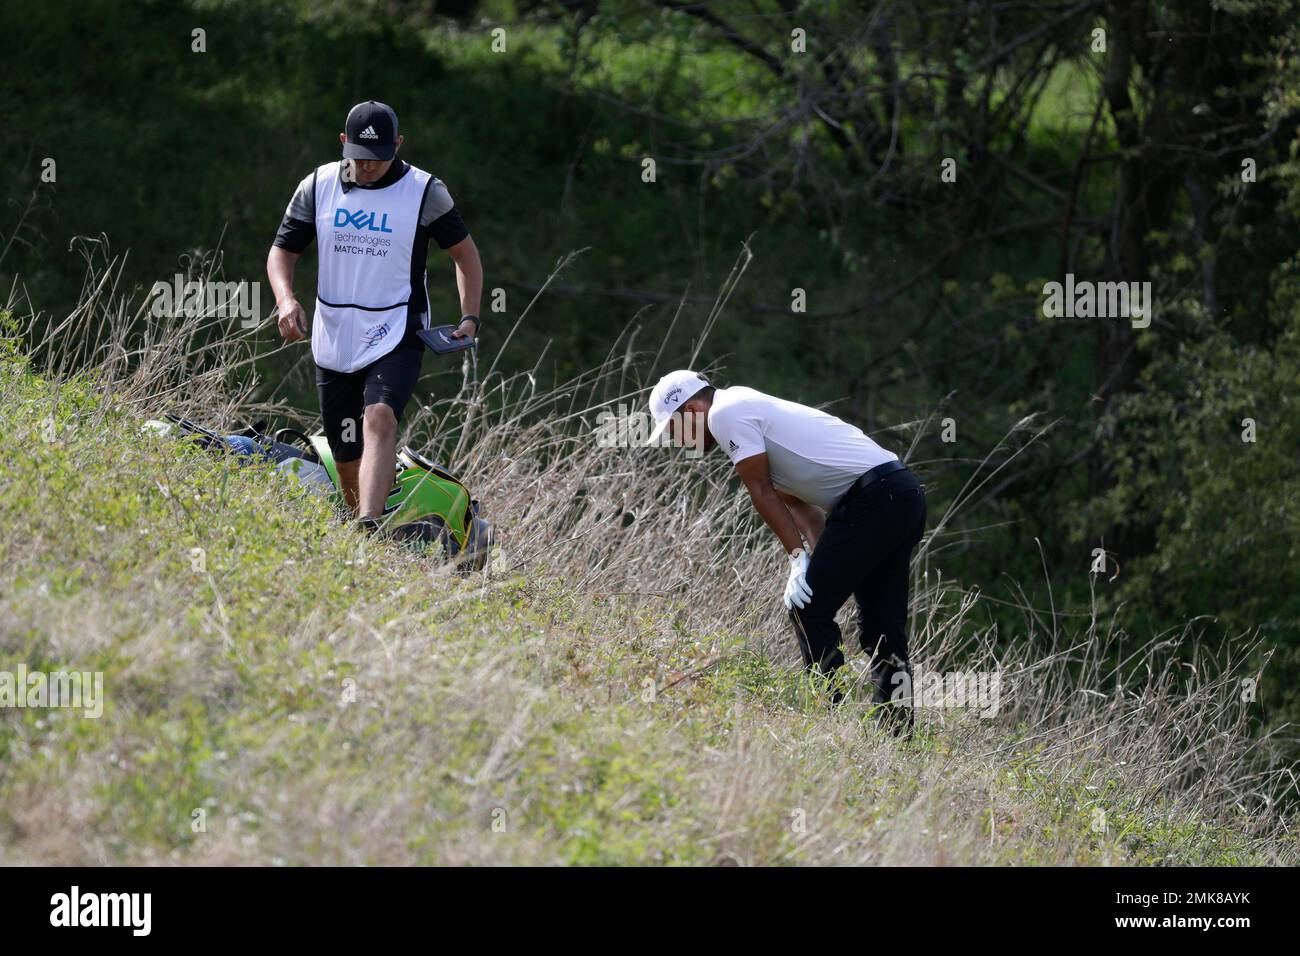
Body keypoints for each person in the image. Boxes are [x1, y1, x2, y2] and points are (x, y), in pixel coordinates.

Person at [645, 370, 926, 733]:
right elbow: (800, 507)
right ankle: (898, 734)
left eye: (674, 428)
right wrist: (816, 560)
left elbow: (759, 490)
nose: (676, 439)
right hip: (901, 495)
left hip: (874, 500)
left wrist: (798, 559)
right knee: (881, 626)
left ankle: (828, 719)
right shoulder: (746, 415)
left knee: (807, 607)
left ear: (693, 410)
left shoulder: (724, 412)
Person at [266, 100, 483, 527]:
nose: (368, 167)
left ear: (398, 145)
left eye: (379, 158)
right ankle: (363, 526)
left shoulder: (425, 191)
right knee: (346, 450)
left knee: (379, 416)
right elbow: (282, 252)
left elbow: (466, 257)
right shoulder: (318, 185)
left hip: (396, 328)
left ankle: (369, 524)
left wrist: (470, 317)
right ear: (343, 143)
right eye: (359, 158)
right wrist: (286, 299)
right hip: (334, 334)